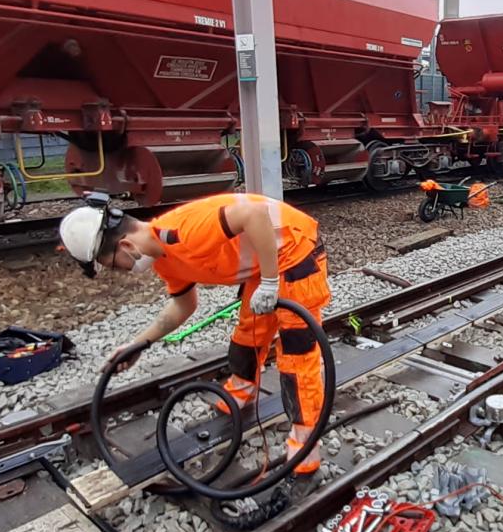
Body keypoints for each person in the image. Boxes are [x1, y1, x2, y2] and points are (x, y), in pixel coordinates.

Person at [58, 192, 332, 475]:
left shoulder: (184, 232)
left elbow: (255, 215)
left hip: (294, 251)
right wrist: (140, 343)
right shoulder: (164, 256)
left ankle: (305, 453)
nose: (121, 273)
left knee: (297, 355)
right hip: (264, 264)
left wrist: (270, 281)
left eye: (114, 265)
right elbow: (183, 305)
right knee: (249, 331)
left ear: (126, 245)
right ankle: (237, 399)